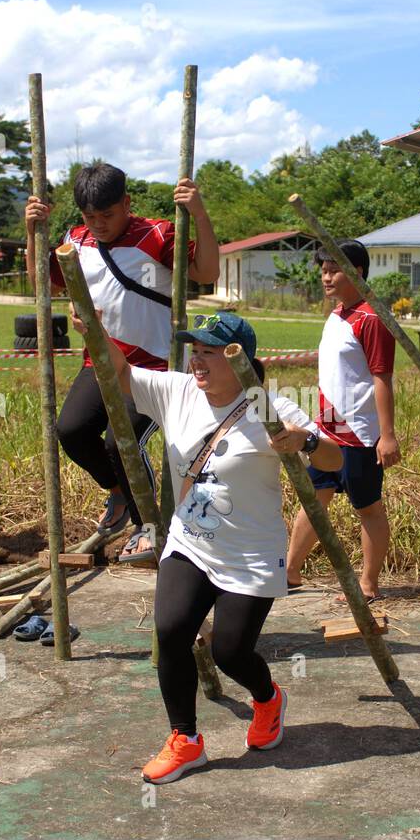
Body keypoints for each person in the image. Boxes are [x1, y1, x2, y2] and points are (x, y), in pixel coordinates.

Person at [83, 309, 344, 784]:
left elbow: (334, 458)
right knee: (172, 631)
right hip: (190, 541)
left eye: (210, 352)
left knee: (230, 652)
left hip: (251, 554)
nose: (198, 361)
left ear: (238, 358)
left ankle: (267, 699)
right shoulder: (178, 390)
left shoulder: (271, 409)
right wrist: (96, 332)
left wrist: (303, 442)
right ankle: (185, 739)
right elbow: (118, 373)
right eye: (195, 351)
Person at [24, 161, 220, 575]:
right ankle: (117, 493)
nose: (98, 225)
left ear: (126, 204)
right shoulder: (74, 241)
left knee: (120, 441)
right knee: (71, 431)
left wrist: (199, 214)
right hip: (100, 361)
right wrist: (31, 233)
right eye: (90, 217)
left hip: (154, 367)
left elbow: (206, 272)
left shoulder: (158, 234)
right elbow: (41, 283)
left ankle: (148, 525)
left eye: (107, 215)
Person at [286, 239, 399, 603]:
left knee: (367, 506)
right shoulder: (338, 314)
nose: (326, 277)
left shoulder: (372, 318)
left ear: (357, 271)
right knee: (314, 498)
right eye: (323, 270)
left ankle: (368, 584)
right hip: (327, 430)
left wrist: (388, 435)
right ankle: (289, 571)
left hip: (360, 434)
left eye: (333, 269)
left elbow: (382, 378)